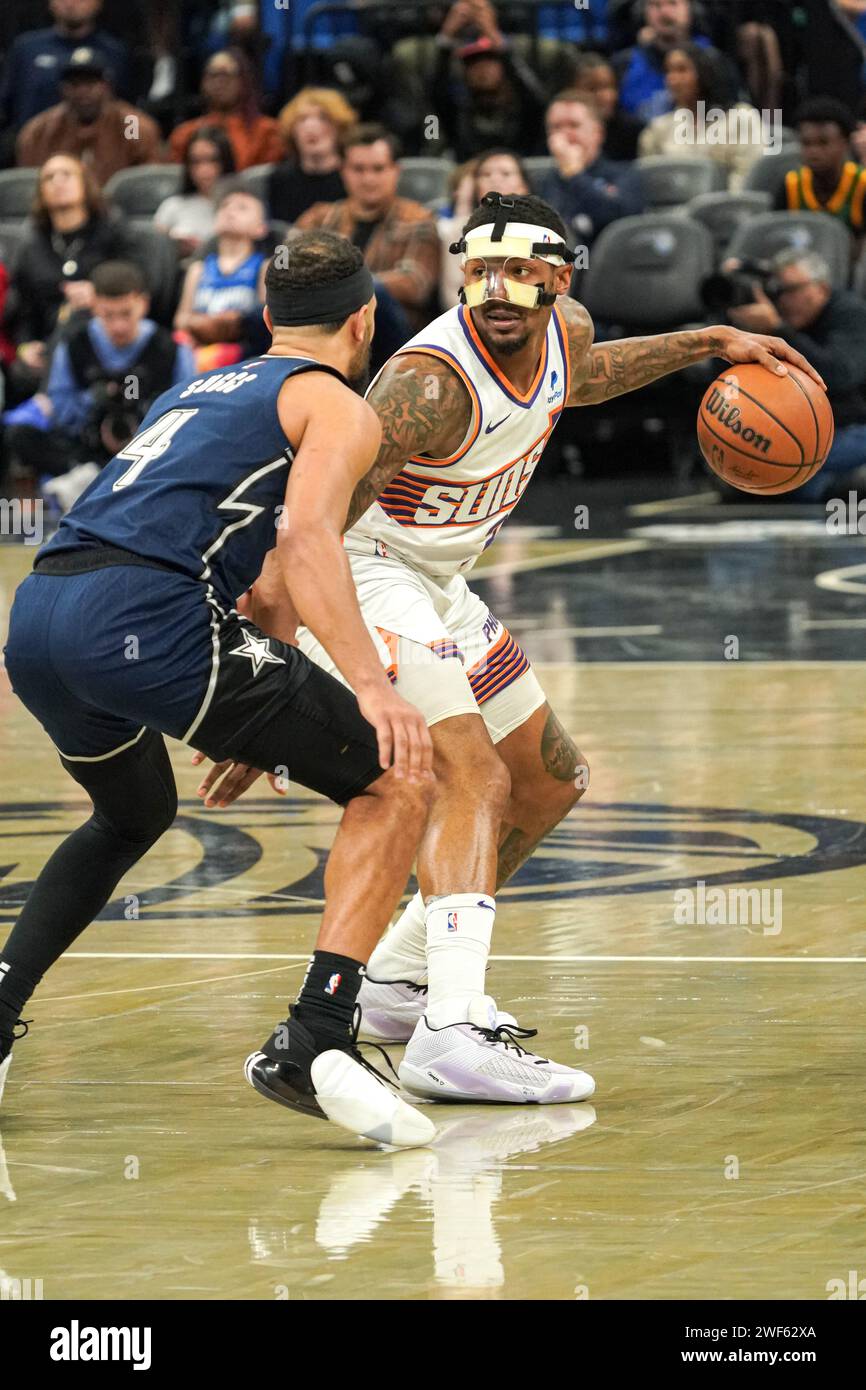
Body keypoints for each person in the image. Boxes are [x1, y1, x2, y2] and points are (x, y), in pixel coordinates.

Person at [198, 192, 823, 1104]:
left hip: (440, 582)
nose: (497, 289)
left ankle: (396, 981)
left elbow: (586, 376)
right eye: (481, 271)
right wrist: (277, 674)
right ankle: (453, 1031)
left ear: (558, 281)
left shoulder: (565, 334)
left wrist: (705, 343)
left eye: (521, 274)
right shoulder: (430, 386)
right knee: (469, 779)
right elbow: (313, 527)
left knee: (547, 780)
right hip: (369, 571)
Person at [0, 230, 437, 1150]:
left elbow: (264, 575)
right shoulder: (337, 407)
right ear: (364, 321)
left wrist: (258, 715)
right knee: (395, 779)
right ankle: (316, 1040)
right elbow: (311, 542)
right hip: (143, 619)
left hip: (39, 615)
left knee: (130, 815)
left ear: (269, 318)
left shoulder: (193, 387)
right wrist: (372, 686)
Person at [4, 260, 194, 507]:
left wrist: (148, 415)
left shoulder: (172, 349)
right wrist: (92, 400)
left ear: (143, 303)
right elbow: (59, 407)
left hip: (151, 450)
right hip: (86, 448)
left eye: (126, 313)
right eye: (108, 315)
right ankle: (91, 476)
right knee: (20, 434)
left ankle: (100, 483)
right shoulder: (73, 344)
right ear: (94, 306)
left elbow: (190, 409)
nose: (118, 326)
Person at [725, 248, 866, 501]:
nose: (783, 301)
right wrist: (735, 334)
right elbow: (731, 384)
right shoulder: (771, 320)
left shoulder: (850, 312)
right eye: (778, 292)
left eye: (791, 291)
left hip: (849, 426)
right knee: (760, 462)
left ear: (821, 288)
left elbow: (841, 375)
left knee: (779, 464)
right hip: (789, 430)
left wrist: (780, 331)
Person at [295, 124, 441, 332]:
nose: (368, 179)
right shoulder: (318, 217)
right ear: (343, 171)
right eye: (358, 169)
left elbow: (415, 284)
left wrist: (340, 285)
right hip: (323, 323)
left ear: (395, 172)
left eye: (378, 168)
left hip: (388, 331)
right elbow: (287, 271)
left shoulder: (419, 218)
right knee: (260, 314)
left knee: (378, 294)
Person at [7, 154, 135, 373]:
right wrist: (25, 346)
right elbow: (22, 310)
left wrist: (99, 294)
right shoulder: (31, 243)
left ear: (85, 183)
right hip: (48, 341)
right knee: (22, 372)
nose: (58, 181)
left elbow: (136, 282)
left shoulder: (113, 230)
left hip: (105, 333)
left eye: (66, 174)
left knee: (78, 317)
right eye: (49, 177)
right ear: (40, 192)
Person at [16, 48, 161, 189]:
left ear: (106, 86)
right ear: (62, 89)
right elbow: (29, 188)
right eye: (74, 84)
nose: (82, 91)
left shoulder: (131, 124)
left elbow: (147, 182)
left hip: (120, 210)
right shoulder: (40, 131)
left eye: (91, 83)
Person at [637, 42, 766, 191]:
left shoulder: (742, 118)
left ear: (705, 73)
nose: (672, 79)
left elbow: (746, 179)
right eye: (668, 71)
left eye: (682, 70)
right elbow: (649, 184)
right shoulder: (659, 128)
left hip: (726, 208)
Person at [431, 0, 548, 161]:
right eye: (474, 64)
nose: (482, 69)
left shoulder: (521, 108)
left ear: (503, 68)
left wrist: (497, 40)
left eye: (490, 62)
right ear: (465, 72)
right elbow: (436, 93)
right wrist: (446, 36)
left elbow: (535, 99)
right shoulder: (458, 111)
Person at [174, 183, 267, 371]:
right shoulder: (198, 269)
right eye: (225, 206)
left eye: (242, 208)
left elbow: (266, 318)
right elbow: (180, 320)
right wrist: (202, 325)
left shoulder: (264, 267)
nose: (230, 211)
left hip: (242, 350)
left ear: (261, 228)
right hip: (197, 346)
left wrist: (230, 324)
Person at [0, 0, 129, 133]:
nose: (71, 4)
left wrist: (134, 144)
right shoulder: (25, 49)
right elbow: (5, 106)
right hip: (36, 145)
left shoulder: (115, 53)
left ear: (98, 3)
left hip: (99, 147)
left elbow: (130, 112)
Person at [540, 94, 644, 251]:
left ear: (598, 133)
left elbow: (620, 219)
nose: (565, 135)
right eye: (556, 127)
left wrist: (575, 175)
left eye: (574, 125)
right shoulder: (544, 182)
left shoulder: (625, 174)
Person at [438, 149, 530, 308]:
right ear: (476, 187)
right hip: (470, 320)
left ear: (524, 186)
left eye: (506, 174)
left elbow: (557, 294)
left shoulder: (544, 230)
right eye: (485, 175)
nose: (494, 179)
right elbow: (452, 294)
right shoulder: (457, 231)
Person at [168, 48, 285, 172]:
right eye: (213, 75)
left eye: (226, 75)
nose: (219, 82)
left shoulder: (268, 131)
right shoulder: (183, 135)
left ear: (243, 81)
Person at [775, 98, 866, 252]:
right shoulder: (791, 185)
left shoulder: (861, 184)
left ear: (844, 143)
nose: (814, 152)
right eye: (806, 143)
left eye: (823, 143)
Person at [269, 87, 355, 225]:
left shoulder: (355, 175)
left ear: (339, 127)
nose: (311, 126)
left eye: (323, 118)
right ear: (292, 131)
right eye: (302, 120)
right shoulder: (279, 179)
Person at [614, 0, 711, 121]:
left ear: (691, 10)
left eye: (673, 3)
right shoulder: (624, 63)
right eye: (656, 5)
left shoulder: (711, 58)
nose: (664, 12)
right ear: (643, 13)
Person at [154, 128, 235, 260]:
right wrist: (173, 246)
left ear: (225, 161)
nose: (203, 170)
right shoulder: (172, 205)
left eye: (212, 160)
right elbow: (156, 255)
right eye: (195, 161)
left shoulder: (242, 207)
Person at [570, 51, 645, 162]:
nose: (606, 96)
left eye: (610, 87)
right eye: (593, 89)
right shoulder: (561, 129)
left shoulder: (633, 131)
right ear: (573, 91)